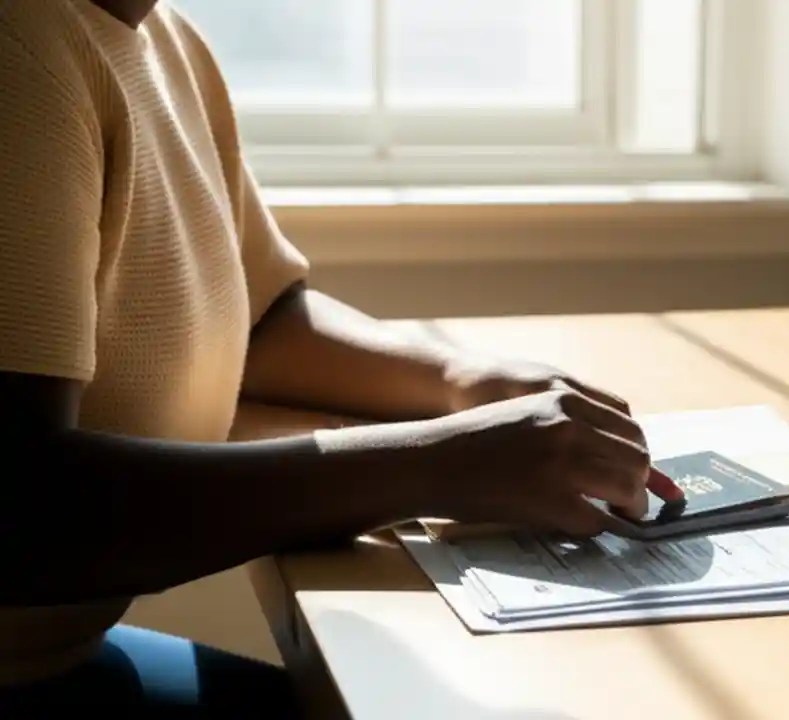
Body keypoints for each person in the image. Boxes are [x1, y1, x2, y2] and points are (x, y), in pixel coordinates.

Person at [0, 0, 682, 714]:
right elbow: (19, 503)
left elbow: (258, 316)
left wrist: (461, 381)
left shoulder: (163, 38)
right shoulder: (22, 49)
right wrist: (440, 464)